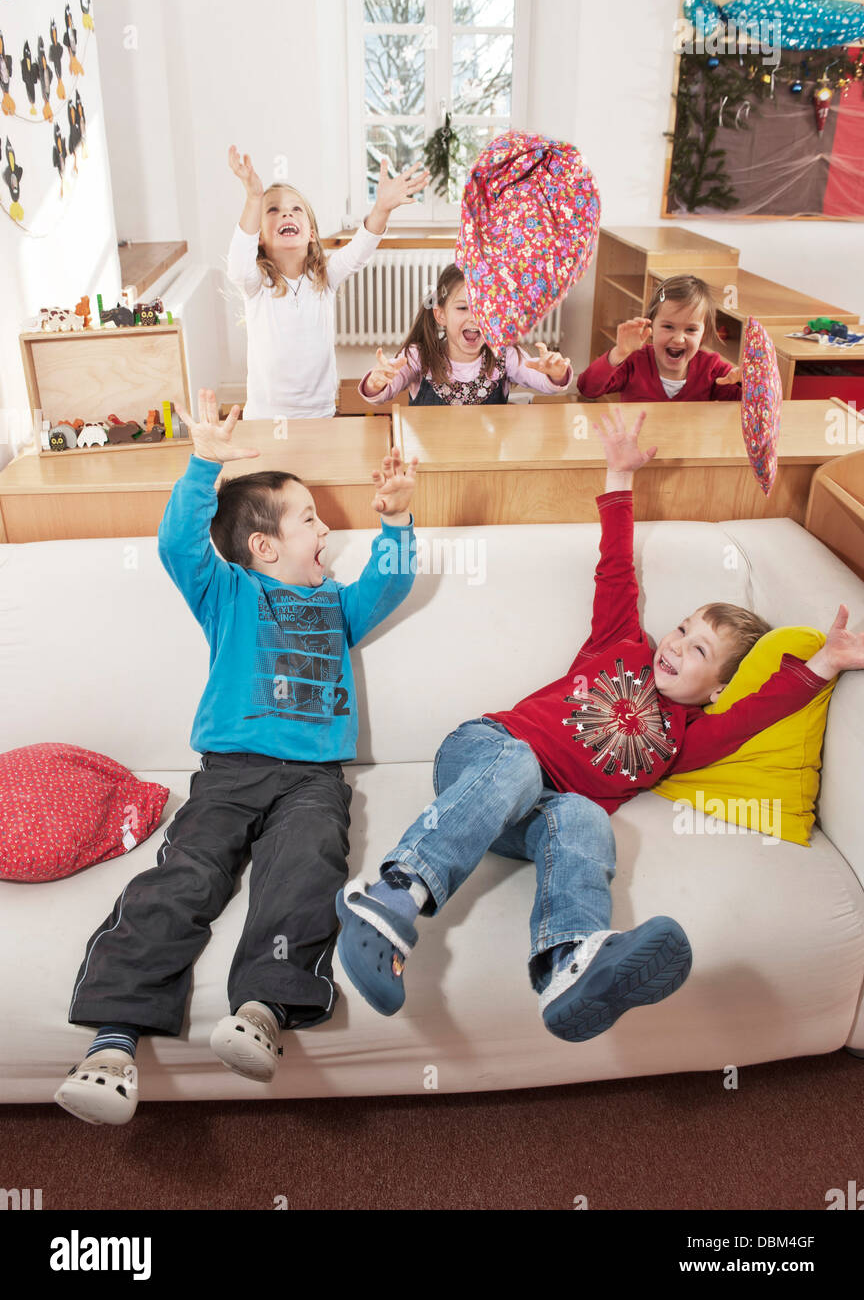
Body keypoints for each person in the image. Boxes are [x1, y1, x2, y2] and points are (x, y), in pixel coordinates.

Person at [335, 407, 863, 1042]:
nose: (676, 645)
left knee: (585, 817)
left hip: (527, 819)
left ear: (718, 687)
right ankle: (392, 898)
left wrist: (825, 661)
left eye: (699, 652)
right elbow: (614, 568)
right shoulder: (622, 642)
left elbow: (760, 712)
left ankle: (569, 964)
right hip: (484, 757)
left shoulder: (688, 741)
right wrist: (618, 477)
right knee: (523, 764)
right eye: (683, 629)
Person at [54, 391, 417, 1125]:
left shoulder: (337, 603)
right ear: (263, 547)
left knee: (307, 866)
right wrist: (203, 466)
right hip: (230, 773)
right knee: (186, 877)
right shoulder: (229, 592)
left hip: (313, 781)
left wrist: (398, 519)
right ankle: (112, 1044)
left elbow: (391, 580)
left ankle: (260, 1010)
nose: (325, 529)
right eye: (310, 518)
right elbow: (178, 547)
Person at [227, 145, 429, 419]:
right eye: (273, 210)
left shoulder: (324, 277)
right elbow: (239, 262)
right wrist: (253, 197)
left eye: (296, 209)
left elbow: (360, 250)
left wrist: (381, 207)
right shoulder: (257, 284)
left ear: (311, 233)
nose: (286, 214)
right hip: (266, 415)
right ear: (259, 237)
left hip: (320, 412)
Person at [358, 263, 573, 407]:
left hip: (485, 465)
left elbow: (544, 382)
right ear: (440, 315)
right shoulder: (417, 356)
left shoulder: (506, 356)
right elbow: (382, 392)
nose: (475, 318)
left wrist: (556, 373)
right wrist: (375, 383)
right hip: (430, 467)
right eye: (463, 308)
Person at [577, 274, 742, 402]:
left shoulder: (712, 368)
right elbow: (587, 388)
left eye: (691, 329)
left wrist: (746, 382)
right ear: (651, 327)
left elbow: (745, 403)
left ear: (703, 334)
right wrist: (619, 352)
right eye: (668, 327)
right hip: (638, 445)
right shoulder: (634, 360)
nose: (678, 339)